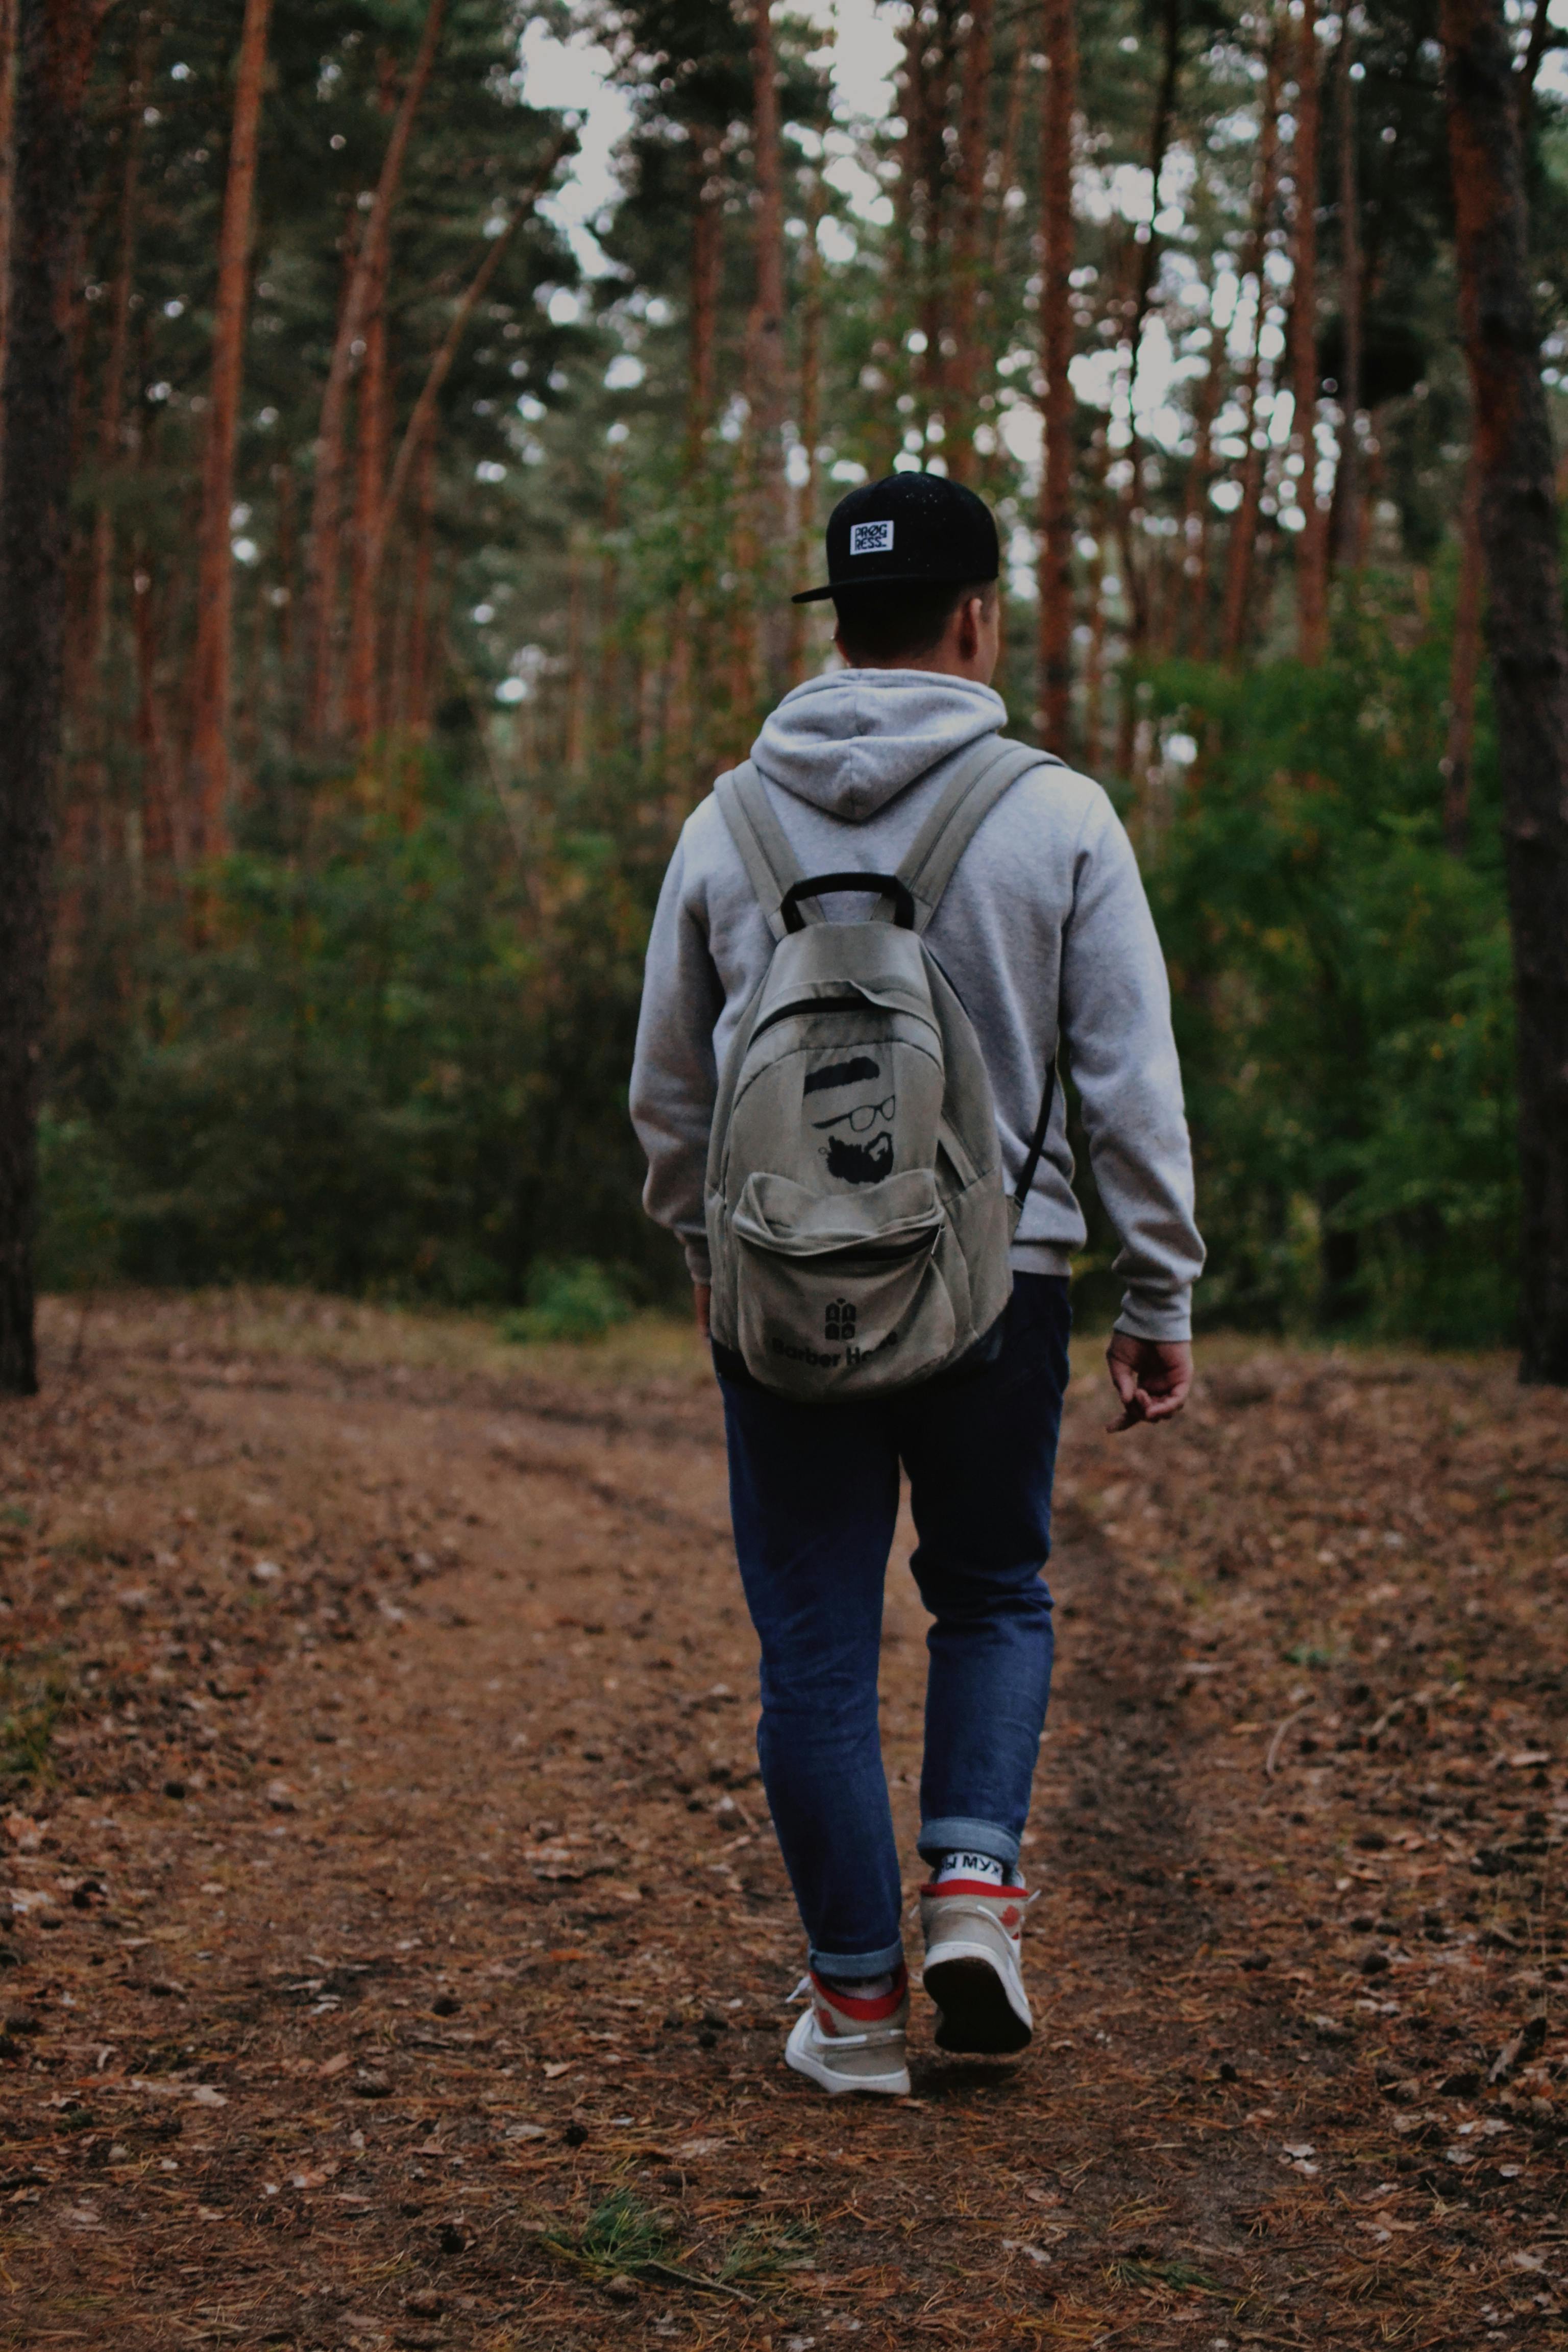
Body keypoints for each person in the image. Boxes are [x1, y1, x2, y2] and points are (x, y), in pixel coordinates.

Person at [629, 471, 1203, 2096]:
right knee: (992, 1591)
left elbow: (669, 1098)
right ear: (976, 618)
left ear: (840, 623)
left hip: (784, 1292)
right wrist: (1156, 1295)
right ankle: (972, 1890)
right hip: (999, 1287)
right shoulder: (1059, 813)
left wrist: (707, 1253)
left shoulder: (727, 820)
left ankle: (859, 2009)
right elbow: (1131, 1088)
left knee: (812, 1647)